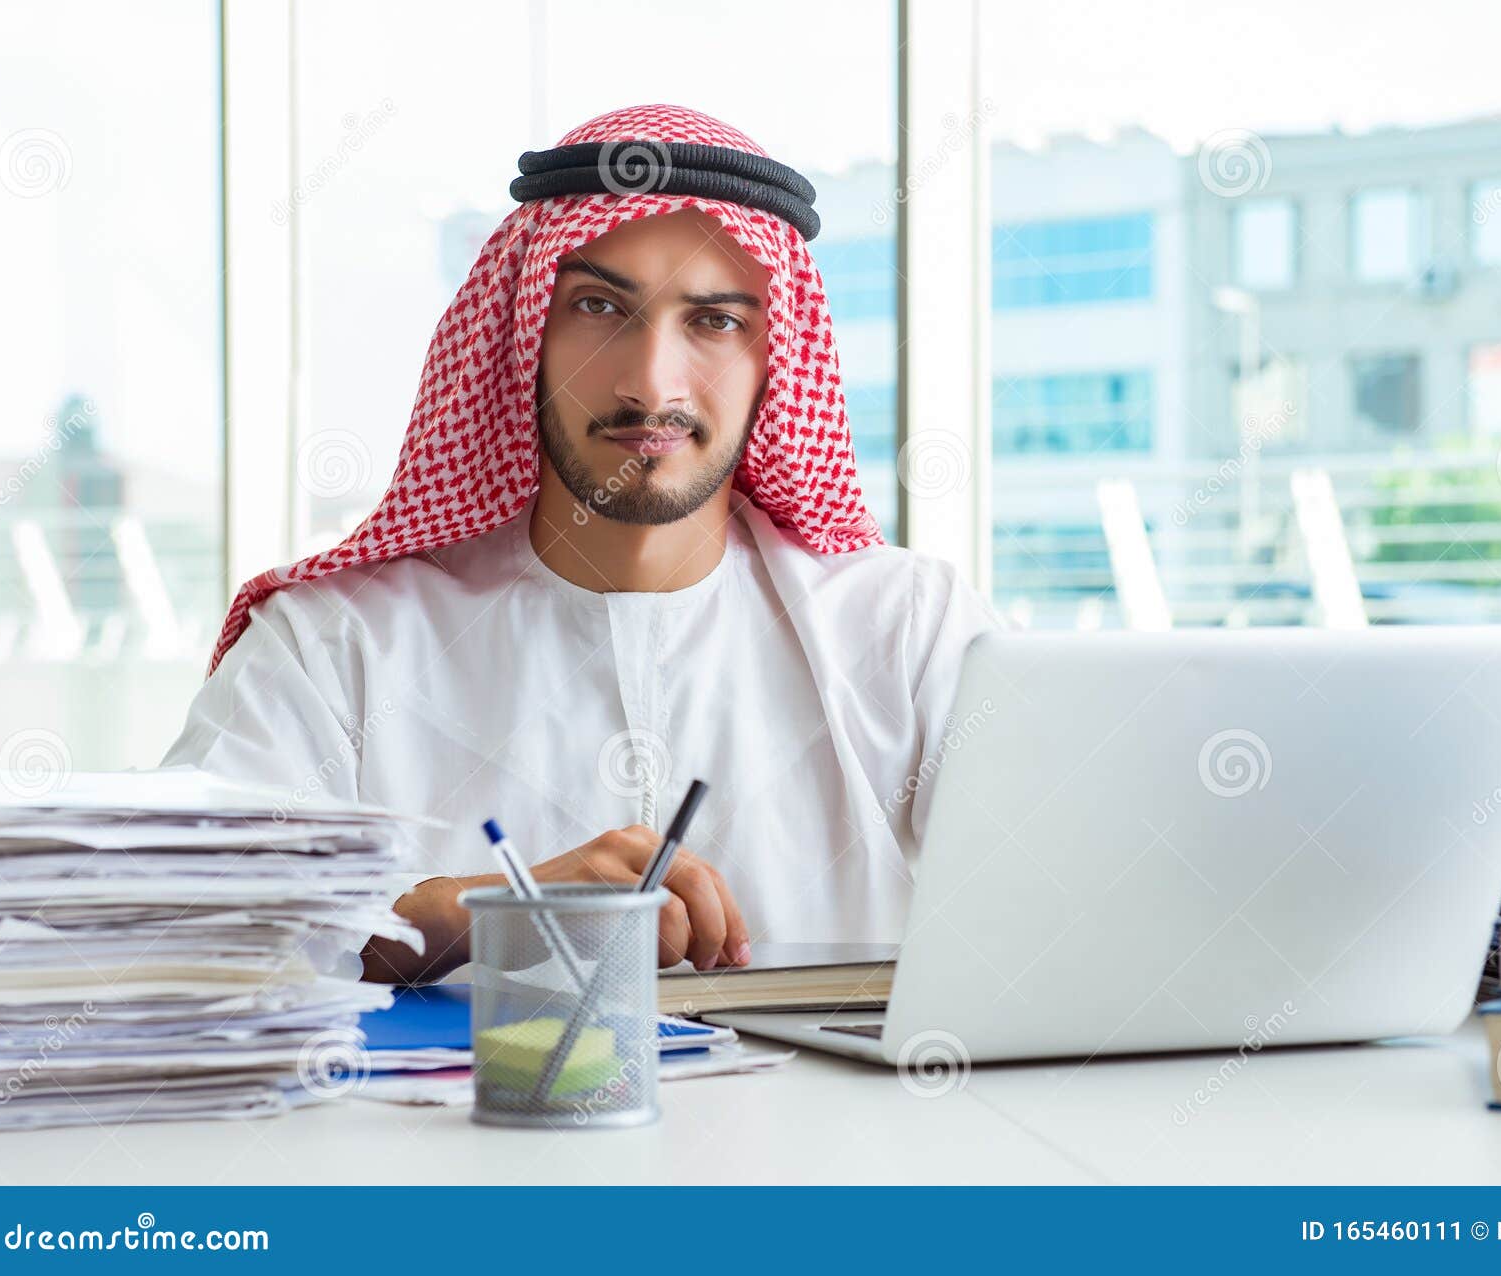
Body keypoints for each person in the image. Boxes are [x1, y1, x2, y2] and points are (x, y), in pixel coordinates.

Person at [163, 104, 1000, 984]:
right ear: (524, 334)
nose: (650, 384)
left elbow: (1073, 908)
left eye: (714, 322)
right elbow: (179, 917)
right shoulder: (339, 639)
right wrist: (474, 913)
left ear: (774, 360)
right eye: (599, 307)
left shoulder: (905, 628)